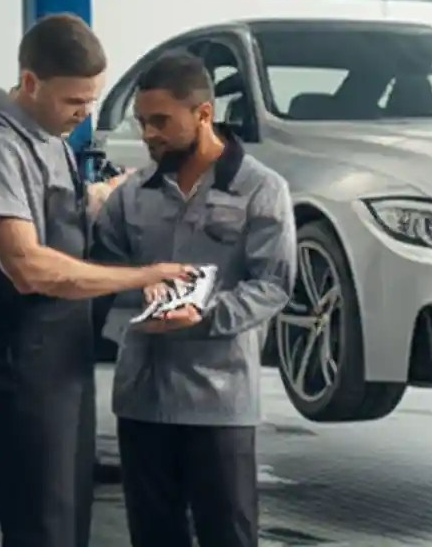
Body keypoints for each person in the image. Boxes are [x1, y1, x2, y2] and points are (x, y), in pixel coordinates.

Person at [0, 13, 195, 547]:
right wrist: (139, 276)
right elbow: (28, 265)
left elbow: (54, 215)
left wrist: (103, 198)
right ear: (30, 82)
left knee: (69, 521)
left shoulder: (51, 139)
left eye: (92, 101)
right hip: (24, 372)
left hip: (66, 365)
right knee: (42, 528)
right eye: (73, 102)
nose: (83, 114)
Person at [90, 50, 296, 547]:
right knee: (153, 536)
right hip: (142, 400)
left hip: (218, 403)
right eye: (142, 122)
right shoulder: (133, 193)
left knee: (227, 535)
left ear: (203, 114)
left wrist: (202, 312)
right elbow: (101, 274)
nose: (148, 134)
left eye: (161, 121)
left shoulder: (262, 190)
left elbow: (274, 284)